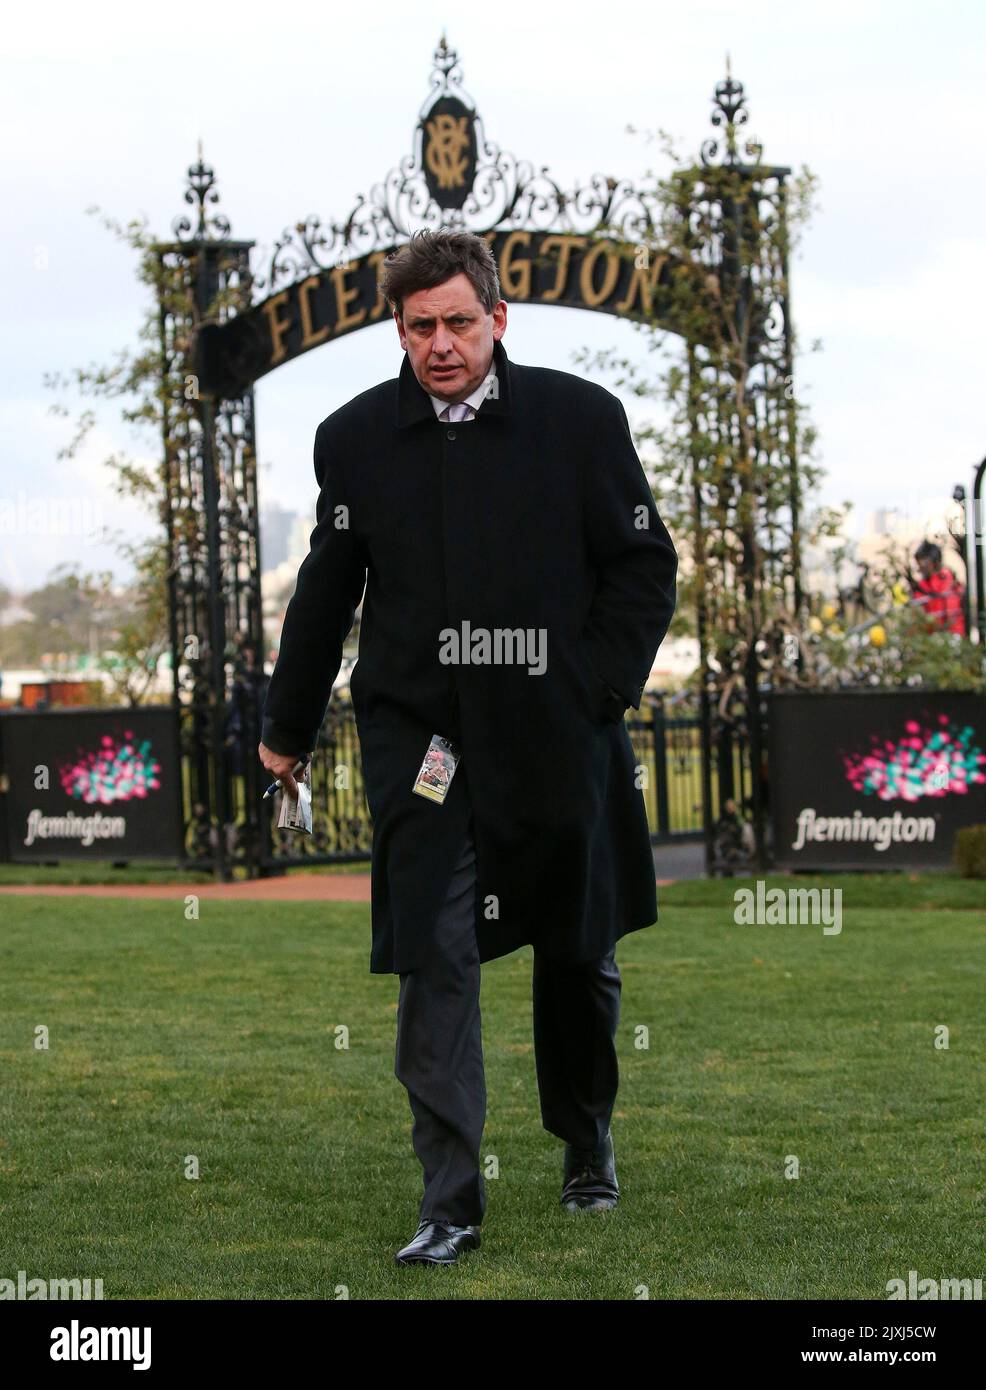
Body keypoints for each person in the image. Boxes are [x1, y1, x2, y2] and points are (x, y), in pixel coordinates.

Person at [258, 228, 678, 1266]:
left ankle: (585, 1141)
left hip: (556, 728)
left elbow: (640, 565)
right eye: (418, 326)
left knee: (578, 952)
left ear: (497, 318)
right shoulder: (352, 438)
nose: (438, 343)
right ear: (396, 331)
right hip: (422, 741)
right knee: (431, 957)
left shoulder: (582, 421)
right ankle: (448, 1199)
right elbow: (325, 590)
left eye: (456, 321)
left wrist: (589, 685)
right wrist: (285, 730)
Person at [911, 541, 966, 636]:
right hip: (931, 639)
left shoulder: (950, 582)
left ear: (934, 561)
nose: (921, 565)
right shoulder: (921, 587)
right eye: (919, 561)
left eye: (924, 560)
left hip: (954, 636)